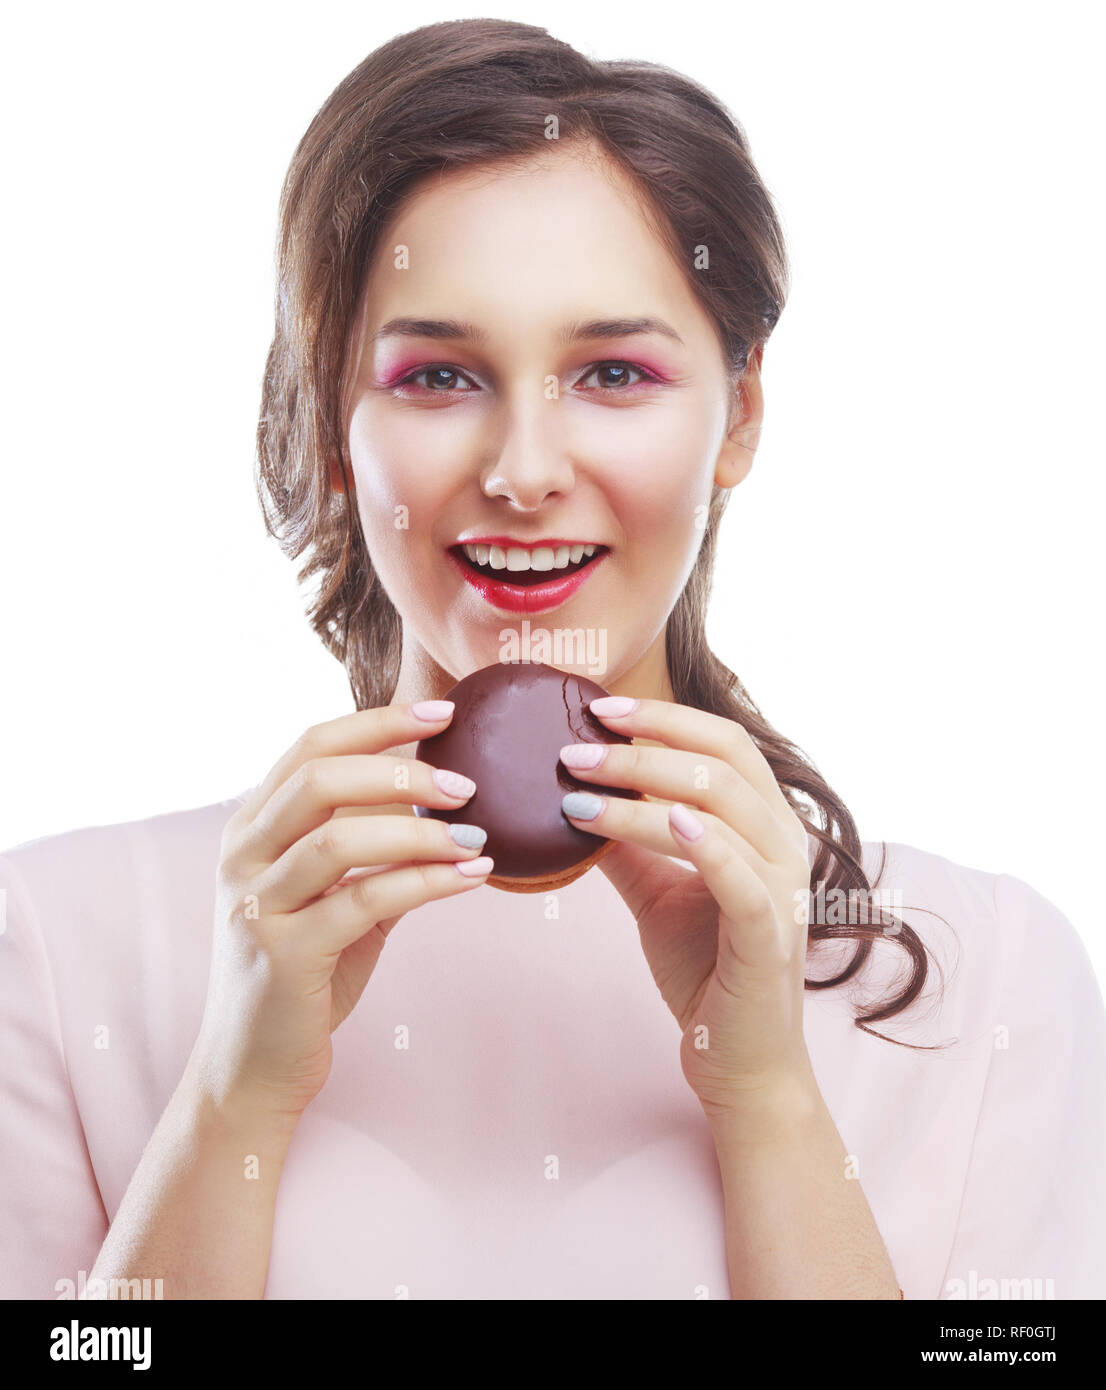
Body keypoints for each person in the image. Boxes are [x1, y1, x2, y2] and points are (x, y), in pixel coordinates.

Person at [2, 17, 1103, 1301]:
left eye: (613, 371)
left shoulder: (979, 975)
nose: (523, 472)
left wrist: (766, 1103)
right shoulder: (55, 940)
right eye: (436, 376)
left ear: (738, 411)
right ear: (330, 411)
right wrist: (233, 1101)